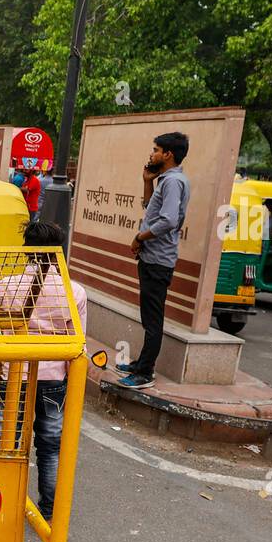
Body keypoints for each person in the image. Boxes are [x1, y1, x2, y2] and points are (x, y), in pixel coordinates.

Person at [0, 218, 86, 520]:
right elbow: (77, 343)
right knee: (50, 446)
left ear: (26, 249)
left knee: (4, 444)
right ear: (59, 250)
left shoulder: (8, 284)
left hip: (12, 375)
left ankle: (0, 505)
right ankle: (47, 511)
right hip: (52, 379)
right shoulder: (74, 291)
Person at [117, 131, 191, 389]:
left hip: (158, 260)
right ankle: (141, 364)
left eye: (156, 149)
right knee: (149, 317)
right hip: (153, 257)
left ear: (168, 154)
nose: (152, 154)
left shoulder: (173, 182)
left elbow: (169, 220)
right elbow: (153, 210)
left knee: (153, 319)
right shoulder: (166, 180)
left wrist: (140, 237)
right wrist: (147, 182)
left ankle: (145, 373)